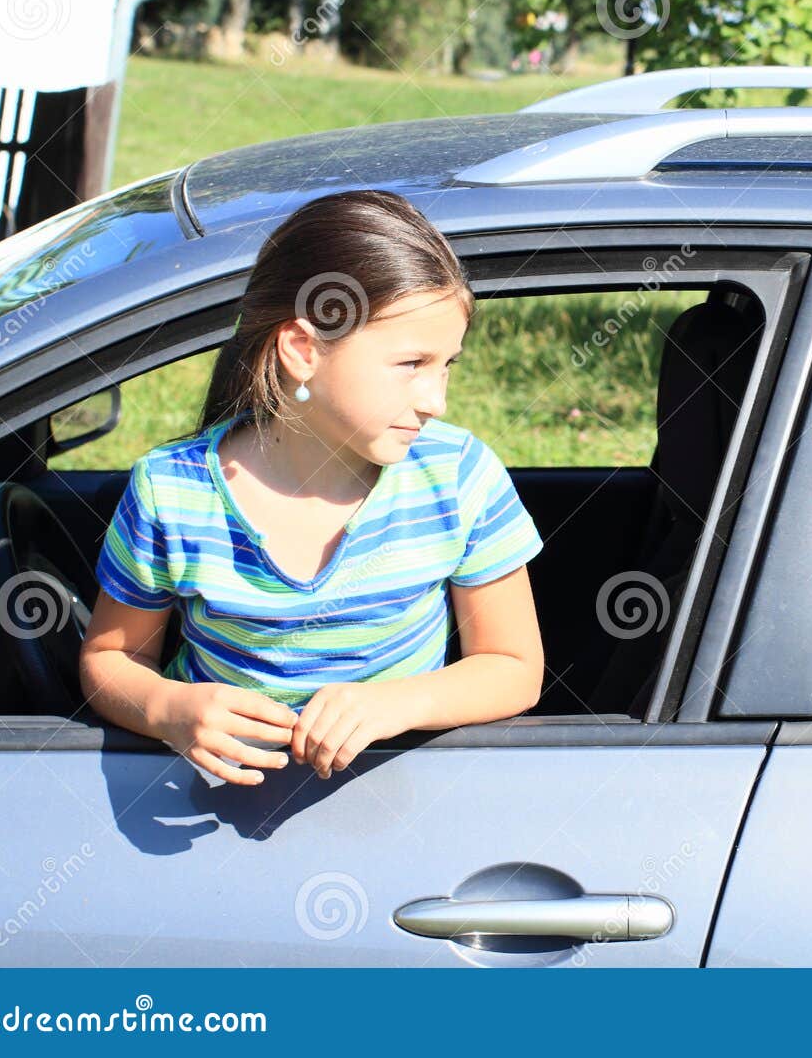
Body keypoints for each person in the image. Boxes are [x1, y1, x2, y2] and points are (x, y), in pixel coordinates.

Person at [80, 190, 544, 785]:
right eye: (411, 364)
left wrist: (395, 704)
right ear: (302, 349)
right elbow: (111, 659)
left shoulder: (458, 477)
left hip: (390, 814)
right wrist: (168, 709)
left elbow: (512, 666)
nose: (436, 400)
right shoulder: (173, 491)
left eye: (446, 364)